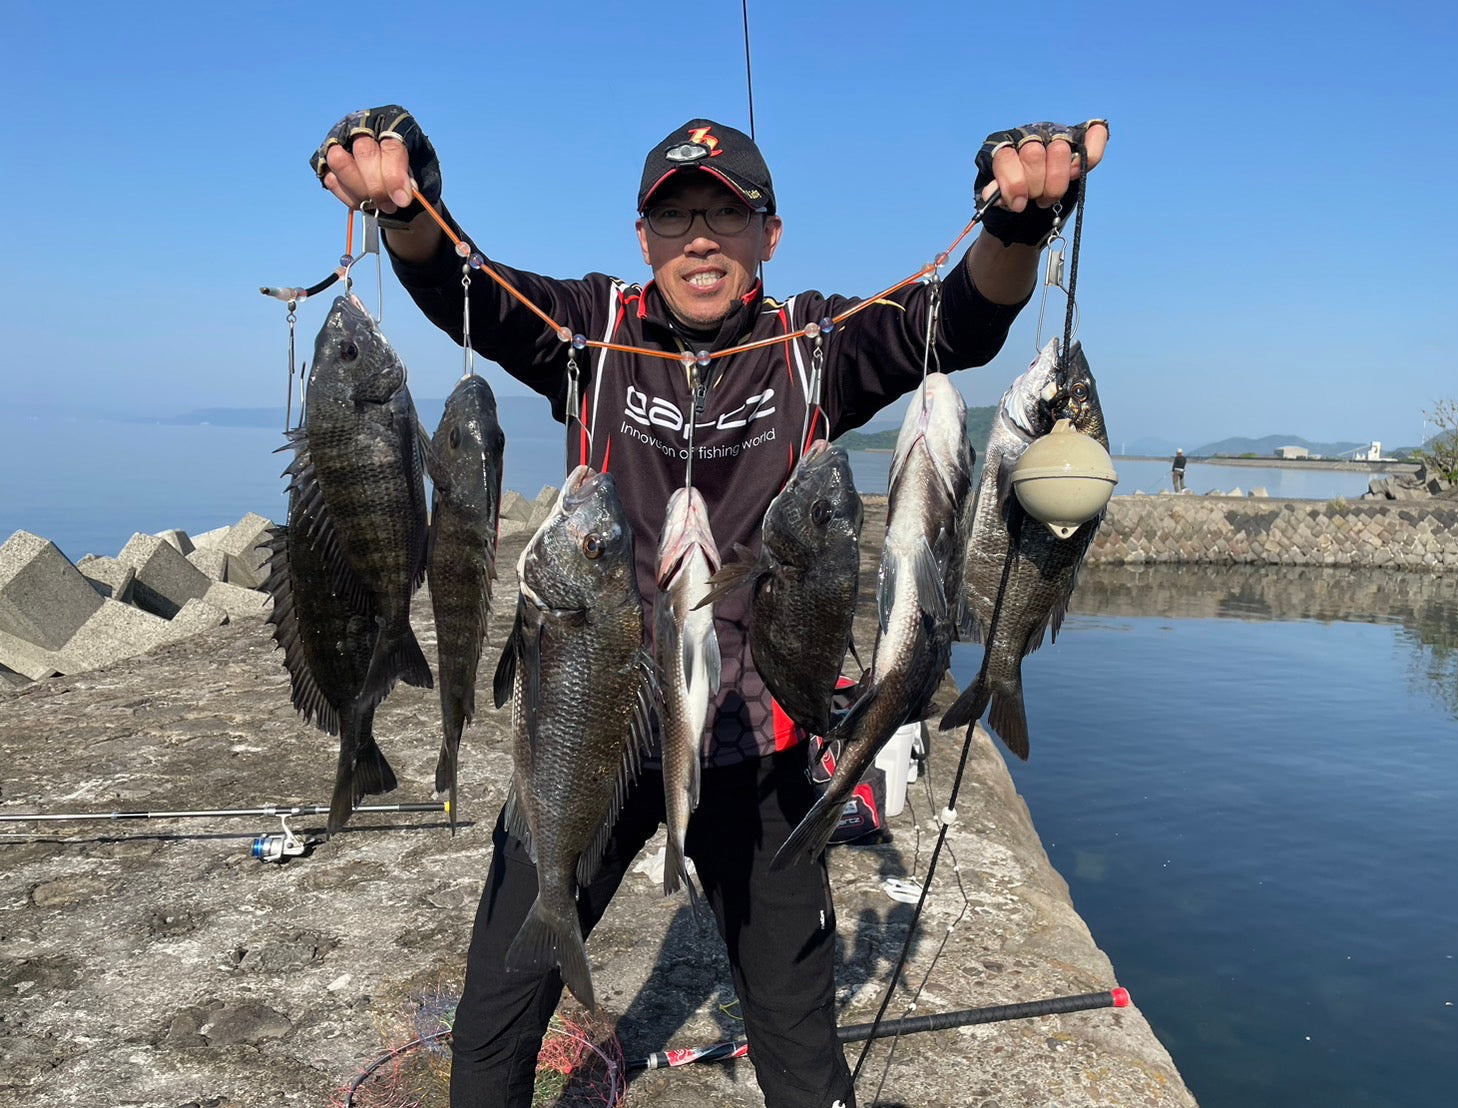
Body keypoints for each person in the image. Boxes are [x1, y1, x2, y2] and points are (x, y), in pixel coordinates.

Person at [312, 107, 1109, 1108]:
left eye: (726, 217)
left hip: (761, 747)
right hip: (599, 734)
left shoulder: (813, 345)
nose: (700, 238)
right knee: (492, 1025)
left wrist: (1015, 225)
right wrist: (407, 200)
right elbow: (463, 285)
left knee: (800, 1052)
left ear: (769, 237)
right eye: (676, 215)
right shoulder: (589, 331)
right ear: (640, 238)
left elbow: (954, 320)